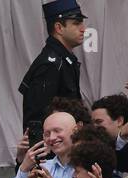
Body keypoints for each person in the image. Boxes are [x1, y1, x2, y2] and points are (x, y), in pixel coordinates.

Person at [18, 0, 86, 130]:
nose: (83, 29)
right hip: (53, 146)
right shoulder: (51, 65)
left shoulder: (65, 61)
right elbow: (36, 121)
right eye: (77, 23)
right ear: (59, 28)